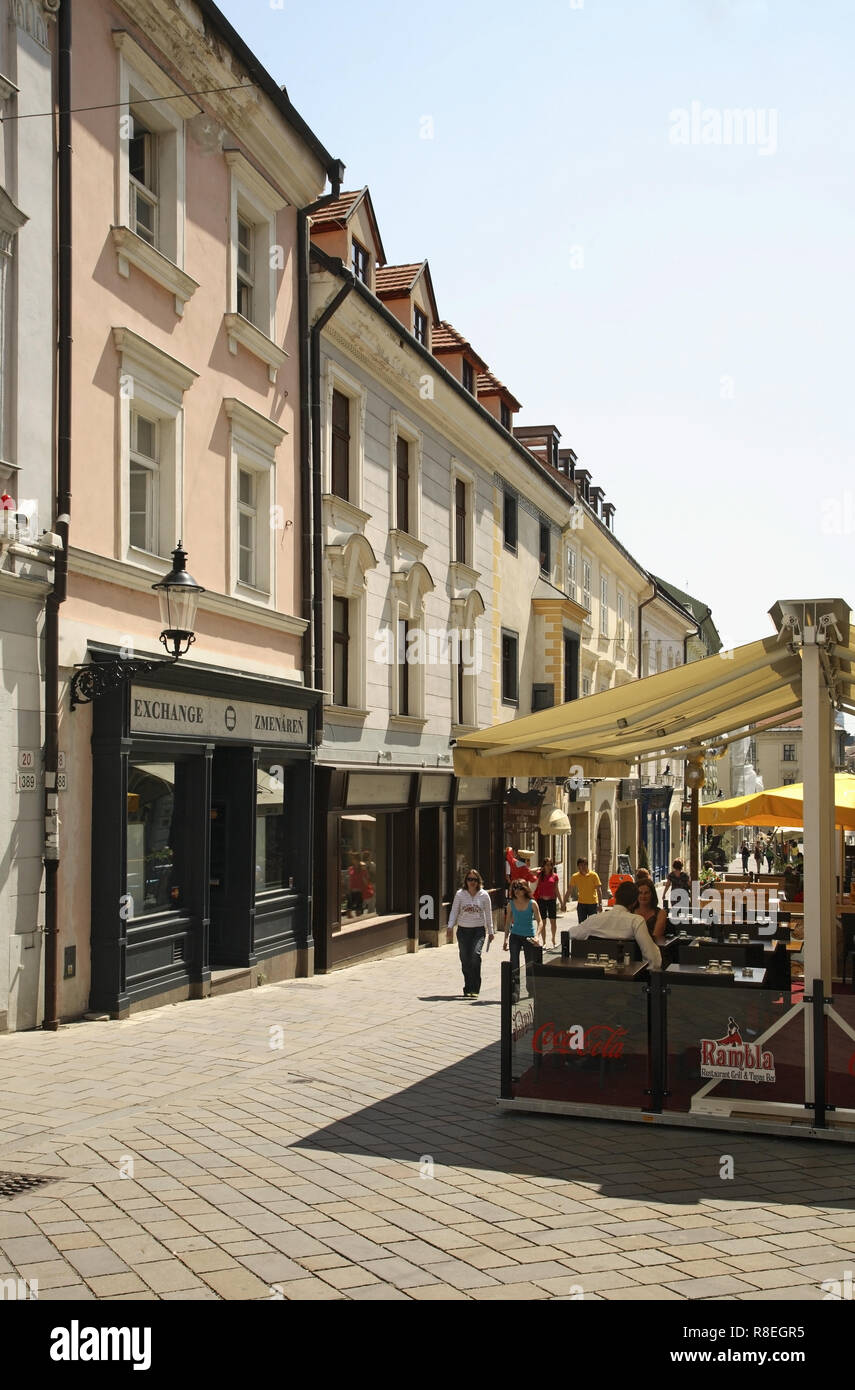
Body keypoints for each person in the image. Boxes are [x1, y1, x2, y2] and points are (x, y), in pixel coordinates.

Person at [568, 880, 662, 969]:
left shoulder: (594, 919)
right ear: (634, 903)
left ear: (615, 897)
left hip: (594, 977)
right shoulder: (636, 921)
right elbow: (652, 957)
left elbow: (571, 933)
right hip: (627, 977)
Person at [448, 868, 494, 999]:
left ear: (478, 881)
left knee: (475, 956)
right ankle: (467, 987)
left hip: (478, 930)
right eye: (469, 879)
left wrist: (490, 931)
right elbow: (454, 910)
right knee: (465, 959)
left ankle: (475, 988)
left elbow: (488, 914)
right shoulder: (460, 894)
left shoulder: (484, 895)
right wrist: (450, 926)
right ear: (466, 881)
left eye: (474, 880)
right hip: (463, 930)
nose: (472, 882)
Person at [503, 879, 544, 1002]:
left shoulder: (532, 903)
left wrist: (537, 935)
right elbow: (508, 923)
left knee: (529, 964)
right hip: (515, 936)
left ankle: (531, 989)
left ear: (525, 889)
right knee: (514, 964)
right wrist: (505, 939)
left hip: (529, 937)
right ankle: (515, 993)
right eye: (514, 888)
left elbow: (540, 921)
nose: (516, 891)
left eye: (519, 888)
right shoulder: (511, 904)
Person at [533, 856, 561, 947]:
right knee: (542, 922)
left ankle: (553, 939)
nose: (549, 867)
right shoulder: (539, 874)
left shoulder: (555, 876)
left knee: (553, 921)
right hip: (541, 900)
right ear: (543, 866)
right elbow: (529, 871)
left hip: (551, 900)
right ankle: (544, 941)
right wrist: (539, 869)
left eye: (550, 865)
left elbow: (556, 889)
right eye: (547, 865)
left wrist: (562, 902)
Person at [636, 879, 668, 945]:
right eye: (640, 893)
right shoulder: (630, 912)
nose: (643, 896)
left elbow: (656, 936)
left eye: (646, 893)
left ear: (652, 894)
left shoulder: (661, 913)